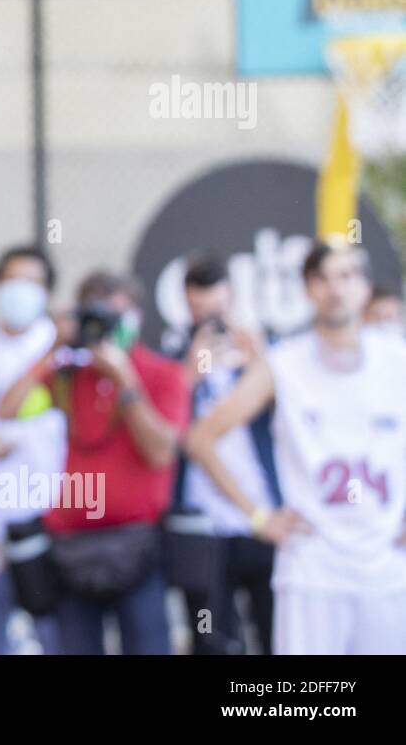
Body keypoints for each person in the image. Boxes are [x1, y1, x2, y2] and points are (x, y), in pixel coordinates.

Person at [187, 242, 406, 654]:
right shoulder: (283, 364)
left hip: (386, 571)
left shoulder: (397, 360)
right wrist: (257, 516)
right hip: (312, 571)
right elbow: (201, 438)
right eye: (323, 278)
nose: (335, 289)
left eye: (347, 276)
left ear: (364, 286)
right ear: (307, 289)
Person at [0, 270, 189, 655]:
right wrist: (52, 350)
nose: (103, 328)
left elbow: (161, 451)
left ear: (135, 317)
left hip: (137, 547)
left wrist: (126, 382)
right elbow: (7, 408)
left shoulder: (163, 374)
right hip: (71, 551)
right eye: (94, 317)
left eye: (113, 317)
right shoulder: (68, 376)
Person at [168, 252, 278, 655]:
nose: (211, 321)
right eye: (201, 312)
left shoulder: (261, 351)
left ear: (231, 298)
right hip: (202, 523)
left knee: (276, 633)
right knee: (212, 638)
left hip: (263, 516)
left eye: (217, 310)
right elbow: (165, 435)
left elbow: (293, 420)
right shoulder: (173, 357)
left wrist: (261, 363)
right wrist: (187, 375)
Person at [0, 244, 65, 654]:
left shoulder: (63, 349)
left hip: (50, 522)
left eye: (32, 282)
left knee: (51, 636)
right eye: (12, 280)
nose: (21, 291)